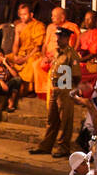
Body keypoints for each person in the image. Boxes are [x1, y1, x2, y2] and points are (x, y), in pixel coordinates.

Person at [29, 27, 80, 157]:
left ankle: (63, 147)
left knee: (65, 120)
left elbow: (76, 75)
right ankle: (46, 146)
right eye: (57, 36)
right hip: (55, 88)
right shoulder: (57, 53)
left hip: (65, 88)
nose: (57, 39)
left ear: (67, 38)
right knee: (52, 120)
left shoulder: (71, 54)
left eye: (61, 37)